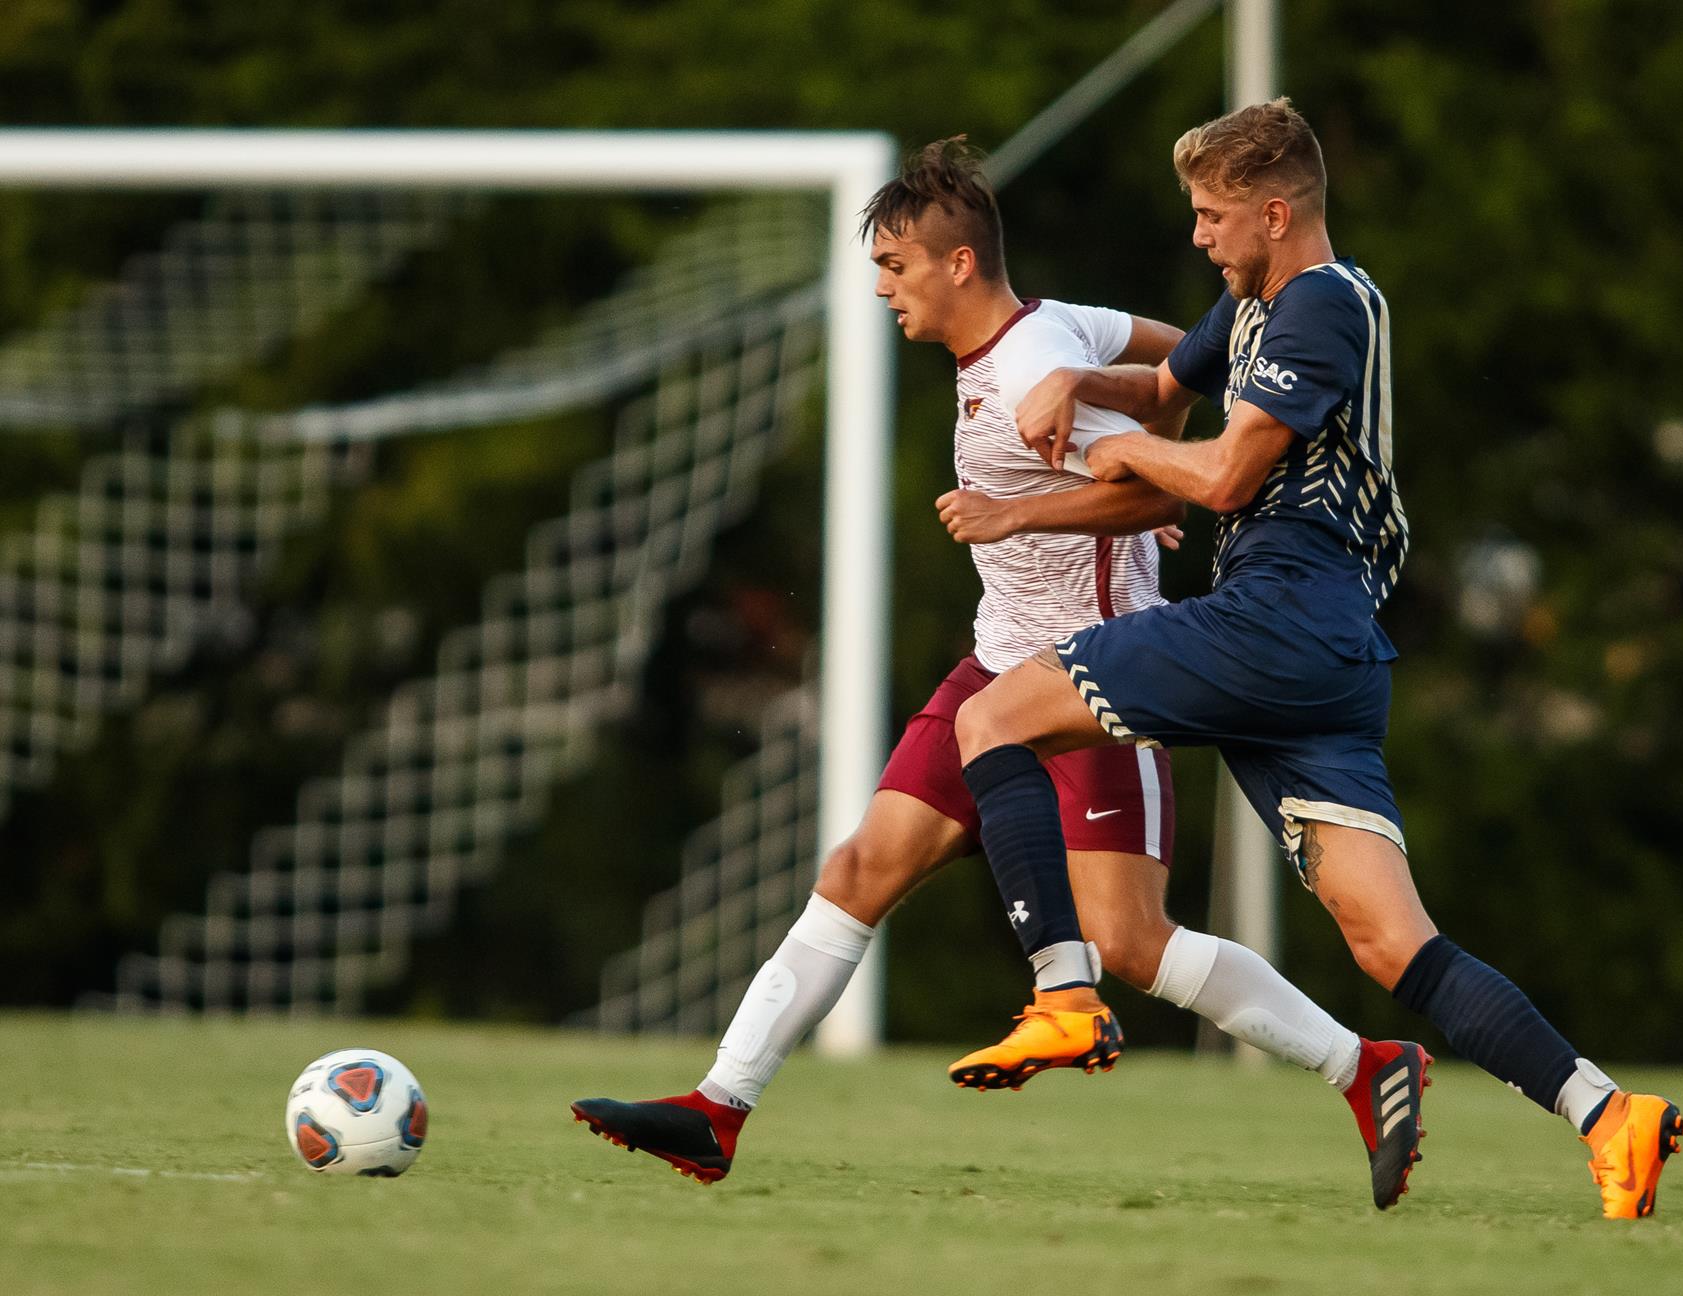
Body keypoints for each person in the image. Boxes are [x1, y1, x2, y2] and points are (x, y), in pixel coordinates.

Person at [571, 138, 1429, 1210]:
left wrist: (1042, 495)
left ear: (960, 264)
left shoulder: (1025, 370)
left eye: (895, 266)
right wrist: (1160, 404)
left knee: (1131, 940)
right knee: (858, 869)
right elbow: (1177, 353)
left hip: (1091, 684)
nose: (883, 288)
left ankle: (1363, 1067)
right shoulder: (1053, 329)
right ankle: (718, 1108)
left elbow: (1157, 500)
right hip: (994, 661)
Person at [965, 100, 1683, 1221]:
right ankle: (1608, 1113)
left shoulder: (1319, 306)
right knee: (1391, 941)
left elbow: (1218, 480)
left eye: (1211, 217)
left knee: (992, 720)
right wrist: (1068, 383)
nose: (1198, 237)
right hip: (1330, 653)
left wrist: (1098, 446)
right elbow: (1165, 386)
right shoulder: (1254, 298)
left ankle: (1062, 992)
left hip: (1276, 618)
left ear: (1273, 210)